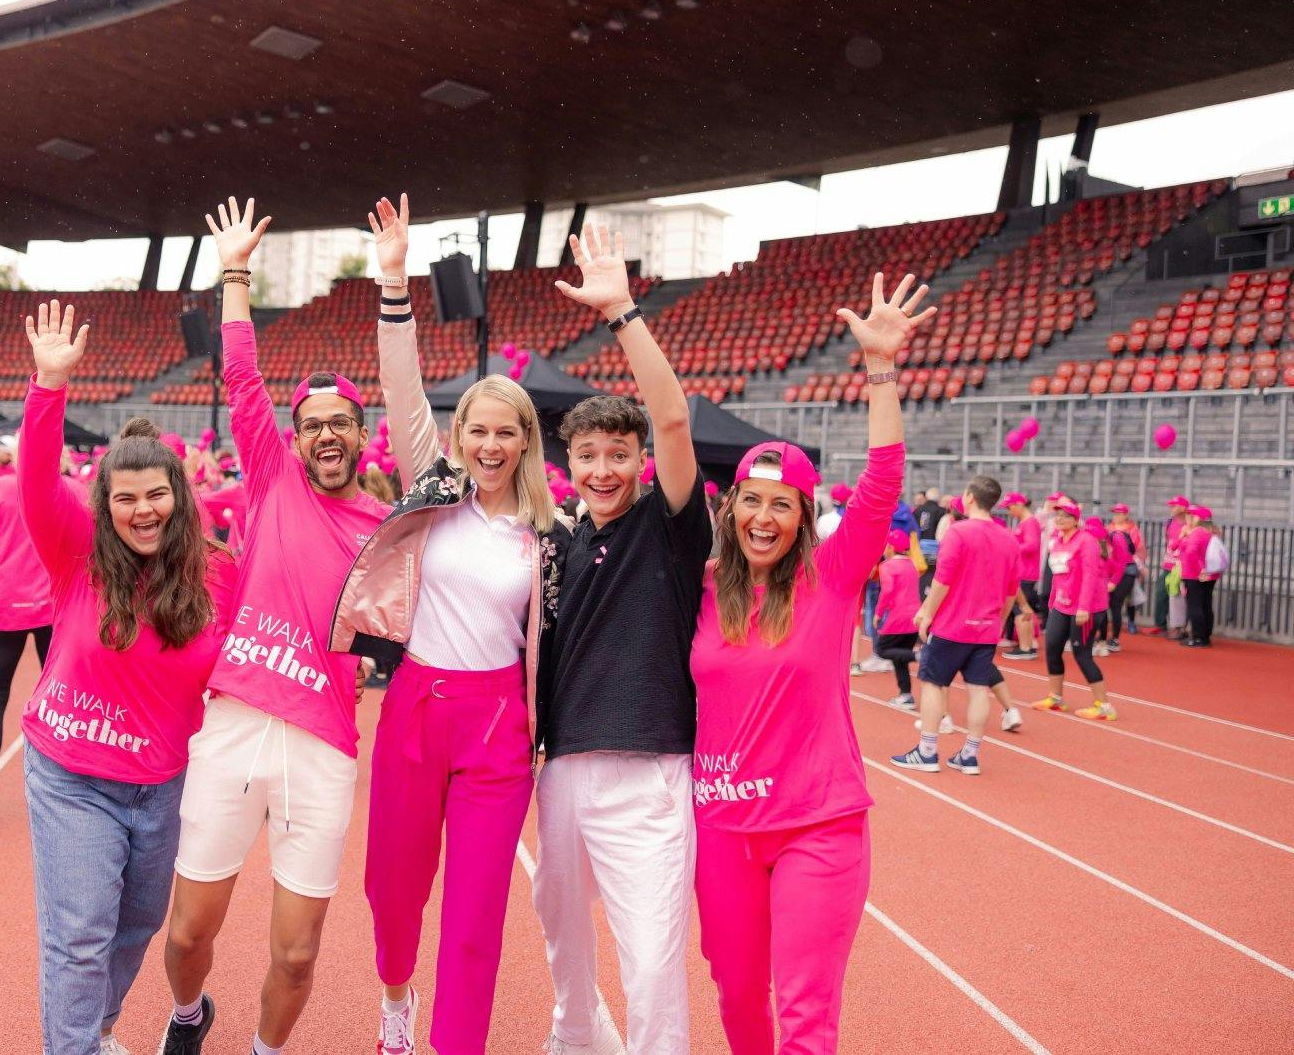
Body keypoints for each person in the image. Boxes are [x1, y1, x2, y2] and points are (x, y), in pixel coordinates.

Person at [327, 193, 568, 1055]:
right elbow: (399, 384)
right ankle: (397, 996)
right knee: (394, 888)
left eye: (508, 432)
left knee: (475, 913)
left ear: (527, 441)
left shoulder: (549, 533)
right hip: (416, 709)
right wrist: (394, 279)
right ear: (458, 435)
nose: (492, 444)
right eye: (479, 429)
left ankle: (454, 1043)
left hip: (500, 726)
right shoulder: (431, 488)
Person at [162, 198, 389, 1055]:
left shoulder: (389, 527)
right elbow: (242, 378)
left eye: (341, 422)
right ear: (292, 440)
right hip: (234, 723)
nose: (327, 435)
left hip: (322, 744)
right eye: (313, 425)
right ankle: (189, 1014)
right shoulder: (270, 480)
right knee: (187, 932)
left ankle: (264, 1049)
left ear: (362, 434)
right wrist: (234, 275)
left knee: (297, 950)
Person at [691, 272, 929, 1053]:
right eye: (751, 503)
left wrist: (882, 369)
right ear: (731, 509)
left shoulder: (830, 578)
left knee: (804, 1009)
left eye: (781, 504)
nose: (764, 517)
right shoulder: (696, 591)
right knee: (733, 990)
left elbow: (882, 481)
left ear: (802, 516)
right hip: (723, 824)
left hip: (817, 826)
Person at [17, 299, 238, 1055]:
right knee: (79, 933)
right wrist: (50, 386)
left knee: (137, 924)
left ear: (177, 499)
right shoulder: (74, 551)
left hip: (165, 781)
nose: (142, 511)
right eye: (126, 498)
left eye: (155, 495)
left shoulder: (217, 577)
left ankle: (95, 1027)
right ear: (105, 507)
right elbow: (37, 480)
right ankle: (73, 1045)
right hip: (72, 774)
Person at [532, 222, 711, 1054]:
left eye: (618, 453)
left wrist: (623, 312)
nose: (602, 469)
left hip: (649, 766)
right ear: (569, 461)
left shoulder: (668, 526)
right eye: (588, 454)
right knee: (564, 947)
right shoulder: (559, 537)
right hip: (562, 765)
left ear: (640, 459)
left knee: (649, 962)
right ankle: (576, 1037)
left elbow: (673, 417)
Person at [0, 464, 71, 830]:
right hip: (53, 606)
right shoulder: (71, 486)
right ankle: (67, 796)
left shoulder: (2, 488)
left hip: (8, 602)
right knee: (62, 700)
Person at [893, 475, 1024, 775]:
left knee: (933, 683)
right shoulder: (1008, 538)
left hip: (953, 624)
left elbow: (942, 580)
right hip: (986, 627)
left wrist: (926, 612)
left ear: (969, 497)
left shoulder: (958, 532)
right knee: (979, 688)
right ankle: (969, 755)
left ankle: (927, 751)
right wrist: (999, 622)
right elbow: (1011, 590)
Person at [1031, 499, 1116, 720]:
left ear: (1076, 520)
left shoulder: (1086, 541)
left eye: (1065, 516)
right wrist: (1051, 604)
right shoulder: (1057, 541)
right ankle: (1056, 697)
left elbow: (1090, 575)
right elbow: (1058, 577)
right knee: (1052, 647)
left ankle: (1104, 706)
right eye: (1057, 515)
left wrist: (1084, 607)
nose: (1059, 519)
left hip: (1086, 607)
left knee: (1082, 654)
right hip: (1061, 604)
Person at [874, 528, 922, 711]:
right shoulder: (912, 564)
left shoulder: (887, 566)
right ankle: (906, 695)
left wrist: (878, 613)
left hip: (898, 617)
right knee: (899, 657)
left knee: (882, 649)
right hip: (914, 617)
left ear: (891, 547)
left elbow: (887, 592)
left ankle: (919, 656)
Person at [999, 492, 1041, 659]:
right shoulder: (1025, 522)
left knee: (1020, 609)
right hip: (1023, 571)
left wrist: (1011, 544)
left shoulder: (1029, 523)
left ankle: (1026, 648)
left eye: (1009, 507)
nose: (1009, 511)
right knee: (1020, 608)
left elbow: (1031, 545)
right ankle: (1026, 644)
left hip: (1025, 572)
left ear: (1019, 505)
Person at [1087, 517, 1130, 656]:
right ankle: (1101, 640)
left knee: (1114, 606)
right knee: (1100, 610)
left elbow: (1120, 564)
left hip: (1122, 575)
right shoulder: (1091, 544)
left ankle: (1112, 640)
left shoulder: (1115, 538)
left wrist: (1113, 582)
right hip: (1103, 579)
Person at [1179, 504, 1222, 648]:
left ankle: (1197, 637)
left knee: (1195, 605)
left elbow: (1191, 552)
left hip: (1194, 575)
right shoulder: (1213, 532)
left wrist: (1200, 569)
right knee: (1206, 605)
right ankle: (1205, 636)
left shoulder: (1197, 533)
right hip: (1210, 575)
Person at [1107, 503, 1145, 635]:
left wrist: (1140, 566)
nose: (1116, 516)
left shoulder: (1133, 529)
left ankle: (1131, 621)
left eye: (1119, 513)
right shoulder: (1109, 528)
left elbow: (1136, 549)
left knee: (1130, 597)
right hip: (1113, 568)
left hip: (1128, 567)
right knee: (1112, 600)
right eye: (1115, 513)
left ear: (1126, 515)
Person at [1158, 495, 1190, 637]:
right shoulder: (1170, 522)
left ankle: (1181, 627)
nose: (1172, 508)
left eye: (1175, 506)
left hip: (1182, 565)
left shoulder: (1190, 525)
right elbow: (1169, 542)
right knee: (1161, 593)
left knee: (1180, 596)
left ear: (1183, 507)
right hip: (1168, 563)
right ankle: (1161, 625)